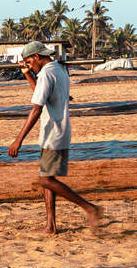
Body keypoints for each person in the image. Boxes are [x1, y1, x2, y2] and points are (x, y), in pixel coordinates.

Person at [7, 41, 99, 235]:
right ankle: (50, 226)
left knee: (45, 181)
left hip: (54, 133)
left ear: (37, 58)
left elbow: (36, 109)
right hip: (58, 130)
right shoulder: (58, 69)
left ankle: (89, 207)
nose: (29, 65)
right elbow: (41, 94)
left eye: (29, 62)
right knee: (48, 177)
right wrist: (28, 74)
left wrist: (18, 140)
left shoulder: (47, 73)